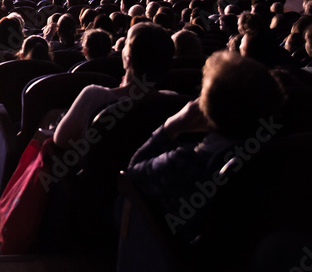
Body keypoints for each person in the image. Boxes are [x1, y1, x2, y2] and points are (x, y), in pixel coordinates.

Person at [128, 51, 283, 243]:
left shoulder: (186, 161)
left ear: (206, 106)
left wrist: (170, 128)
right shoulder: (282, 151)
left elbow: (131, 180)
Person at [53, 21, 174, 149]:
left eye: (126, 44)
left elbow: (60, 140)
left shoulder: (94, 96)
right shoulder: (171, 100)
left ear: (128, 58)